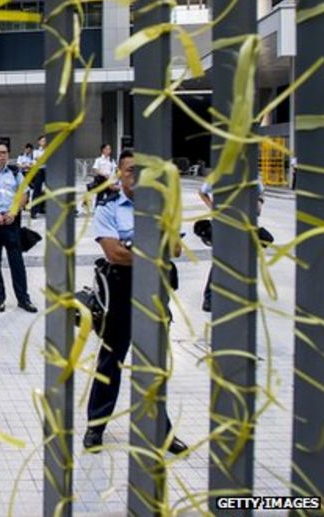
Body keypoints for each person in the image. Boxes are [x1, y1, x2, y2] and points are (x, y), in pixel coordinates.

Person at [83, 150, 187, 454]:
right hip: (120, 293)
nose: (136, 176)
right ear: (119, 173)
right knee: (110, 362)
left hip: (154, 292)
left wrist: (133, 247)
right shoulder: (109, 208)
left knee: (154, 364)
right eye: (130, 170)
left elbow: (176, 249)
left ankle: (161, 430)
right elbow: (113, 253)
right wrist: (152, 250)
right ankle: (95, 427)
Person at [0, 141, 37, 314]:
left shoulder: (15, 173)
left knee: (17, 261)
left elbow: (25, 194)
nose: (2, 155)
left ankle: (23, 299)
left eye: (4, 152)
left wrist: (13, 212)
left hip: (12, 222)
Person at [197, 177, 264, 312]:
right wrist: (213, 207)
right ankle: (209, 297)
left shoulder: (251, 175)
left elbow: (260, 192)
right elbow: (202, 191)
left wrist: (258, 205)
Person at [83, 143, 117, 214]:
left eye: (110, 149)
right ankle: (97, 210)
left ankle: (111, 210)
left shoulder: (111, 160)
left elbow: (115, 169)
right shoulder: (99, 160)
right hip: (101, 180)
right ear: (103, 150)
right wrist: (104, 174)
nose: (109, 150)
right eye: (107, 149)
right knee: (100, 195)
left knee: (111, 195)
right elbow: (95, 169)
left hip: (109, 180)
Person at [30, 134, 47, 218]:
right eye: (43, 140)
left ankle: (43, 208)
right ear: (39, 142)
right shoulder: (35, 151)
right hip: (39, 170)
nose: (44, 142)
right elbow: (38, 159)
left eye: (46, 140)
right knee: (37, 190)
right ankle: (34, 211)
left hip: (48, 170)